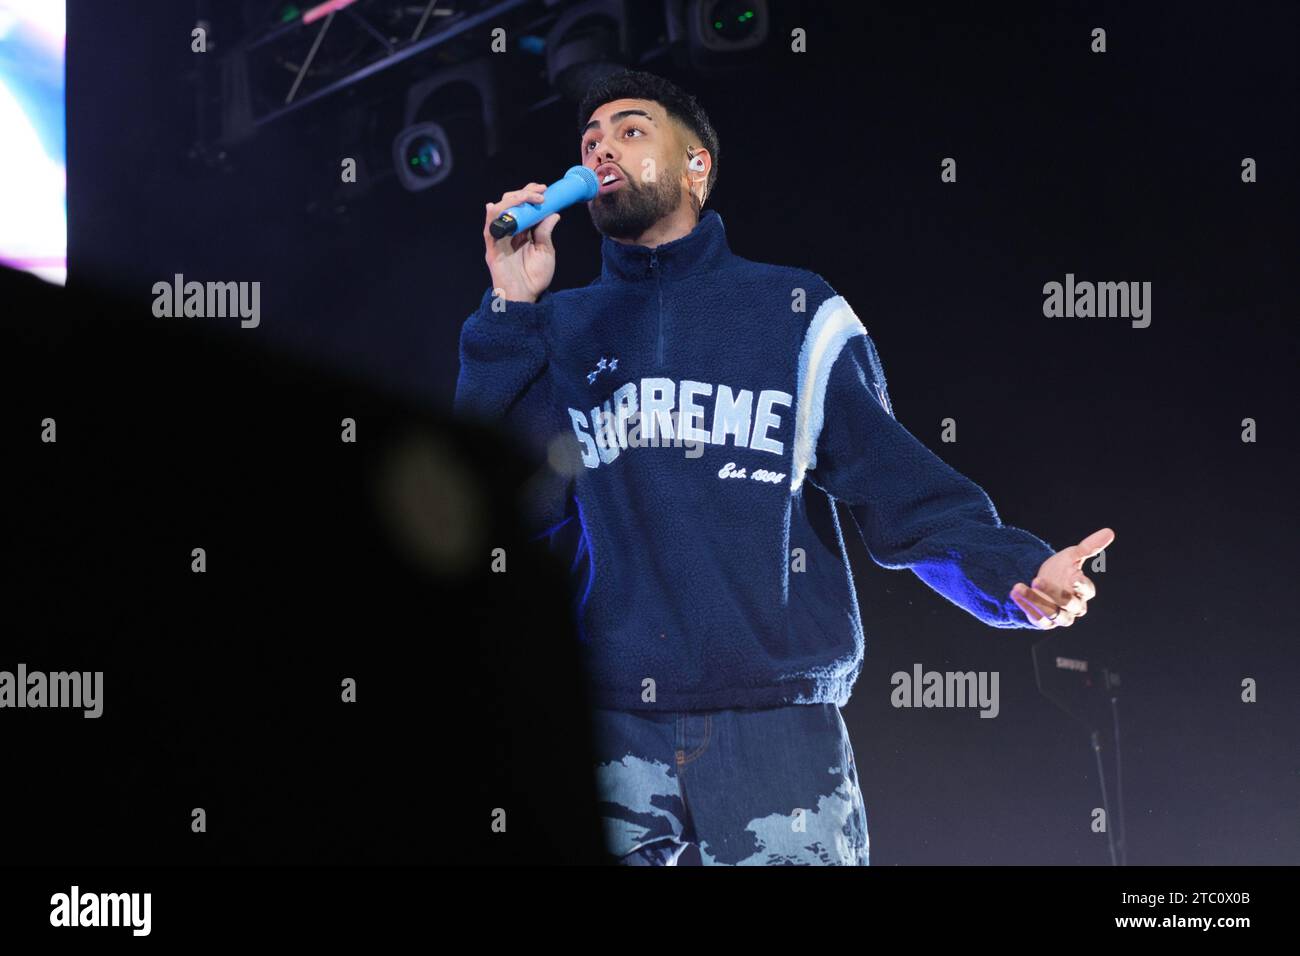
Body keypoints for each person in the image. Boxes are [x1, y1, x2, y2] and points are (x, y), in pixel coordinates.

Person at [455, 69, 1114, 865]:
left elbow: (899, 490)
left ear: (697, 164)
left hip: (777, 721)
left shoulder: (797, 310)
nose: (601, 148)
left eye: (630, 130)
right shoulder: (558, 326)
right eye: (589, 139)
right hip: (609, 720)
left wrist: (1014, 569)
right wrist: (509, 308)